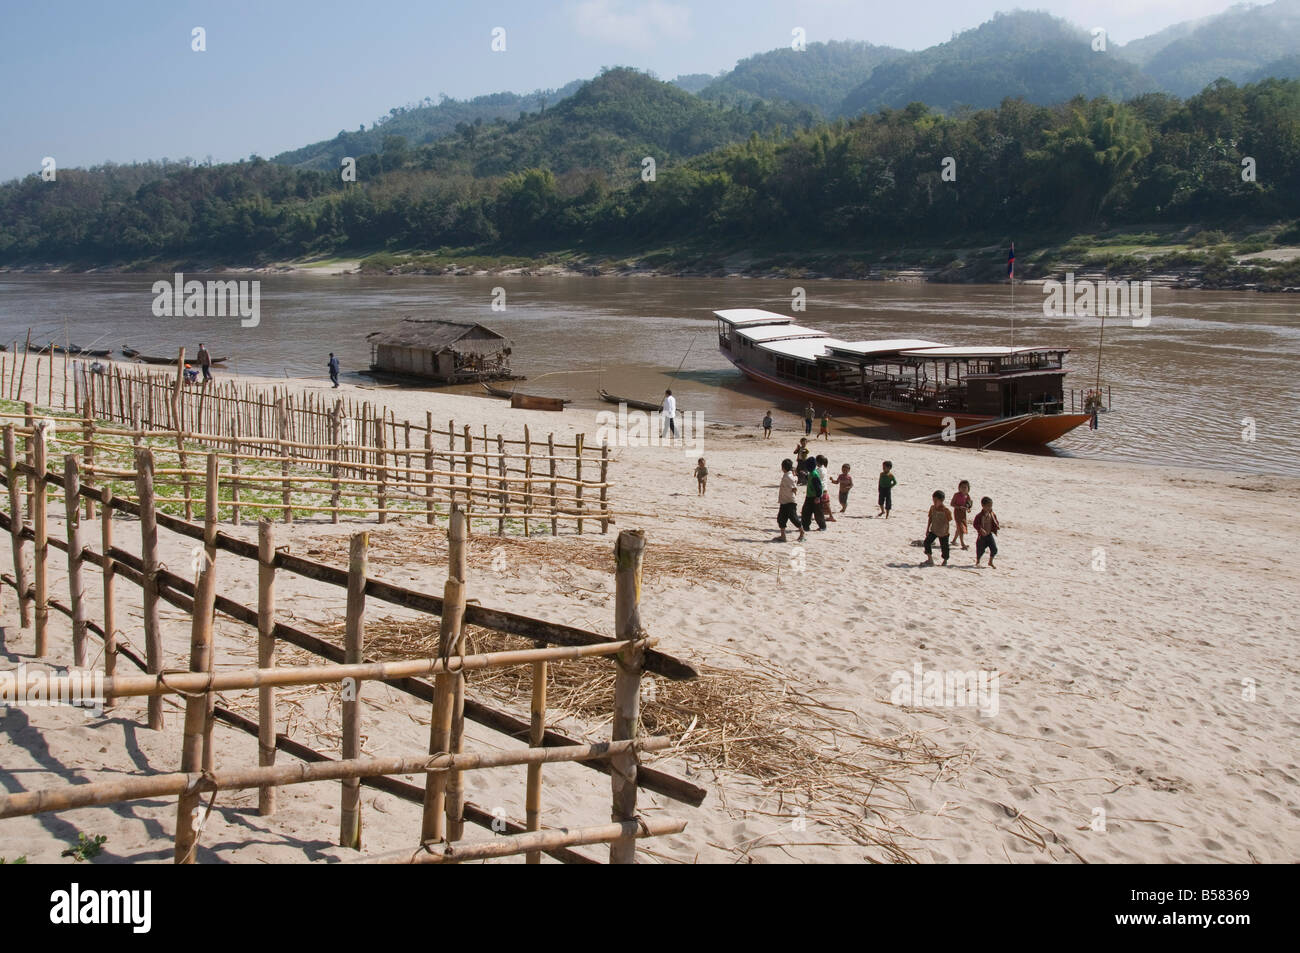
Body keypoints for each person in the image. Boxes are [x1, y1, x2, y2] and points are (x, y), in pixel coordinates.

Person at [922, 490, 952, 566]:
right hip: (934, 530)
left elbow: (949, 520)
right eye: (933, 500)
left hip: (943, 532)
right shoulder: (932, 508)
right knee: (926, 542)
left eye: (936, 500)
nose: (934, 502)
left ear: (941, 500)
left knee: (944, 547)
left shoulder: (946, 510)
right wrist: (927, 529)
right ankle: (930, 559)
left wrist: (945, 529)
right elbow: (930, 518)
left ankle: (945, 561)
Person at [776, 458, 803, 542]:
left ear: (783, 467)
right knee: (781, 518)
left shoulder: (788, 476)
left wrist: (794, 490)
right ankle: (783, 536)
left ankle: (802, 532)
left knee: (794, 518)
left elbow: (794, 487)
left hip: (790, 501)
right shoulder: (791, 475)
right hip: (784, 500)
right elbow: (795, 479)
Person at [800, 458, 827, 532]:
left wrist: (818, 497)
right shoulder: (811, 473)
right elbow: (809, 478)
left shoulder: (814, 474)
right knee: (806, 512)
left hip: (815, 497)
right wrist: (805, 475)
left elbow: (819, 487)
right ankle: (805, 526)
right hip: (809, 496)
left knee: (818, 513)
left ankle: (822, 526)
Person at [973, 496, 1000, 569]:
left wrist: (996, 527)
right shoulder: (979, 516)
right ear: (983, 505)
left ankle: (990, 562)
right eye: (988, 506)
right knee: (980, 550)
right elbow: (975, 524)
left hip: (989, 535)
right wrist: (981, 529)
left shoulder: (992, 514)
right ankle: (978, 561)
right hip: (982, 536)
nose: (989, 508)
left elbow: (995, 521)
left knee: (994, 549)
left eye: (990, 506)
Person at [951, 480, 972, 550]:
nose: (963, 489)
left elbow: (969, 504)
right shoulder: (956, 495)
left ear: (968, 489)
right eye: (962, 487)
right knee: (961, 528)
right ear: (959, 488)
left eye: (965, 487)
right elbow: (952, 504)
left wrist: (968, 508)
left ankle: (954, 540)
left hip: (963, 513)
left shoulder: (967, 496)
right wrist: (959, 507)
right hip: (957, 513)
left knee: (959, 527)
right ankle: (962, 544)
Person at [815, 454, 836, 522]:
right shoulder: (824, 468)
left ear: (817, 462)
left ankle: (830, 516)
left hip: (820, 489)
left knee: (820, 502)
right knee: (826, 503)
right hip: (825, 488)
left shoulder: (818, 470)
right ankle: (830, 516)